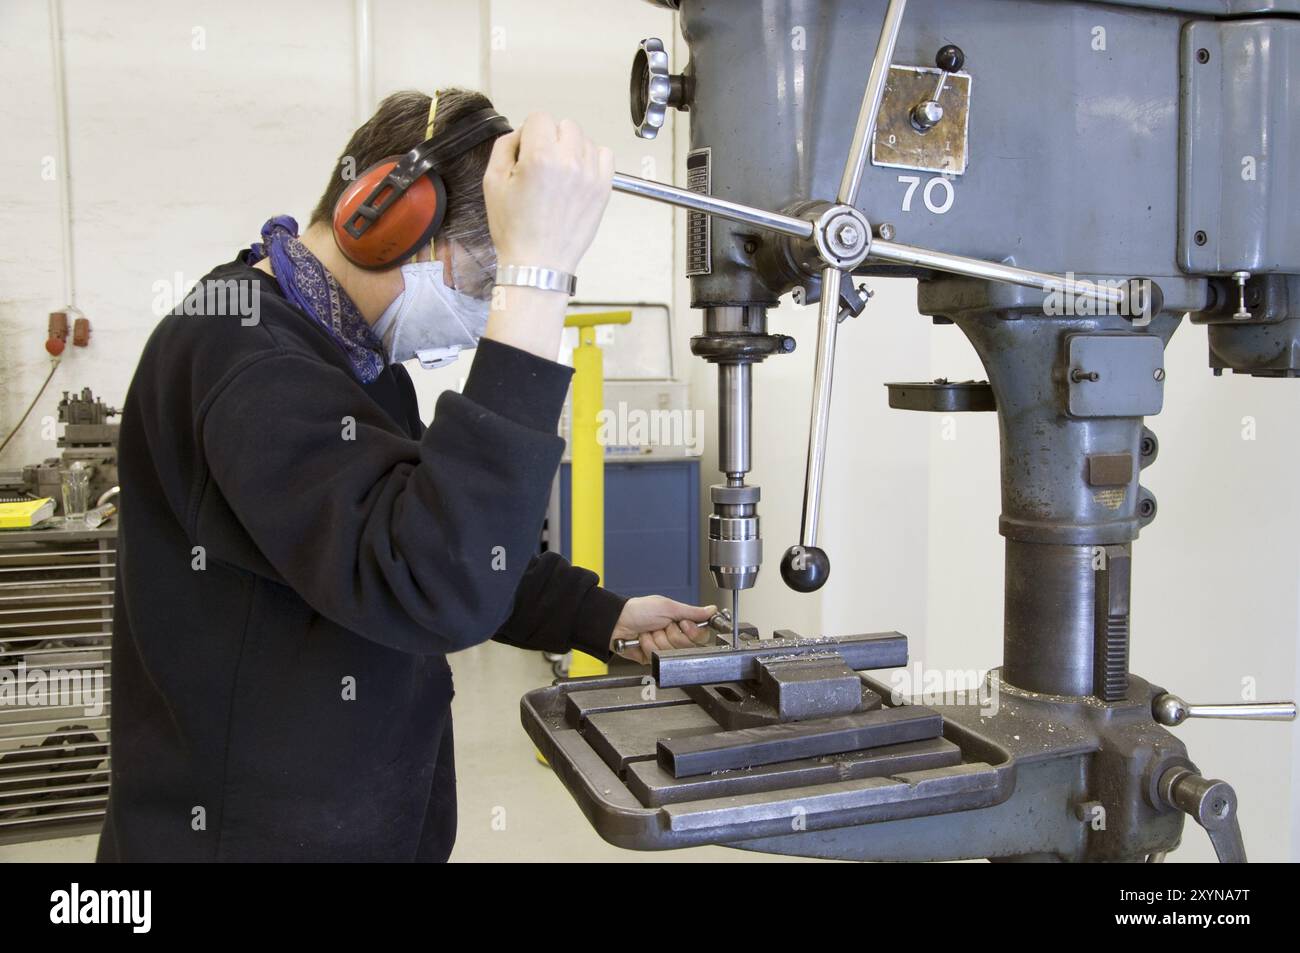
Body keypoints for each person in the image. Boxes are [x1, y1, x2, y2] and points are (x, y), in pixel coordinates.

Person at [98, 88, 714, 862]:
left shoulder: (351, 358)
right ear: (381, 219)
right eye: (486, 282)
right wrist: (537, 284)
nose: (487, 306)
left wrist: (599, 614)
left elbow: (424, 530)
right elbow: (432, 582)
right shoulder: (242, 356)